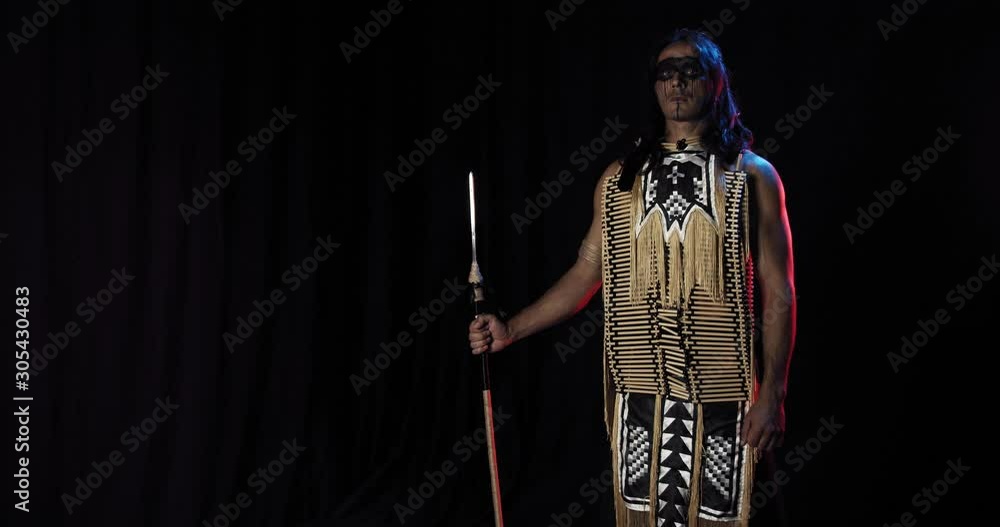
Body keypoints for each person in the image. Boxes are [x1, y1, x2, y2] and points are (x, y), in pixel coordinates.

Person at [468, 28, 796, 527]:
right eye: (666, 72)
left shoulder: (752, 176)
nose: (677, 82)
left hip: (727, 395)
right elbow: (586, 273)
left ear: (717, 83)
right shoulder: (621, 179)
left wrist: (771, 395)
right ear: (654, 85)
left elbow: (780, 291)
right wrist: (510, 329)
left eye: (692, 71)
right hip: (640, 393)